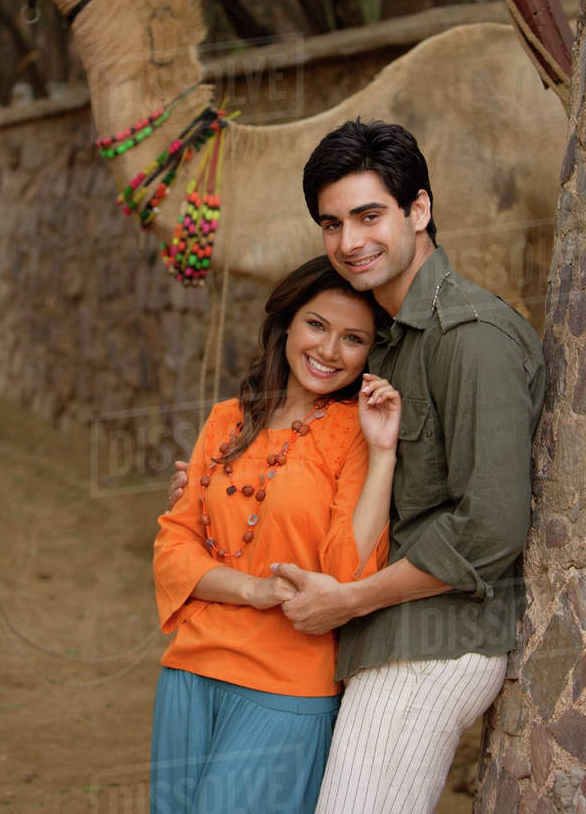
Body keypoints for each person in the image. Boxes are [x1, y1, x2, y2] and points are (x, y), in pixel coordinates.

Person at [169, 119, 545, 814]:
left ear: (419, 210)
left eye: (369, 216)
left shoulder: (472, 339)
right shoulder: (379, 336)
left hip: (432, 640)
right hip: (366, 634)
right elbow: (315, 450)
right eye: (332, 223)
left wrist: (349, 601)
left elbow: (490, 529)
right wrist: (220, 481)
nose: (349, 242)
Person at [151, 255, 401, 814]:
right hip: (190, 668)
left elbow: (345, 573)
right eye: (317, 325)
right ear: (288, 323)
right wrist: (255, 591)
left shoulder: (353, 434)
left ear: (370, 352)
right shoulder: (226, 420)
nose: (329, 350)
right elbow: (174, 548)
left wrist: (383, 452)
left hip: (286, 683)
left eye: (353, 338)